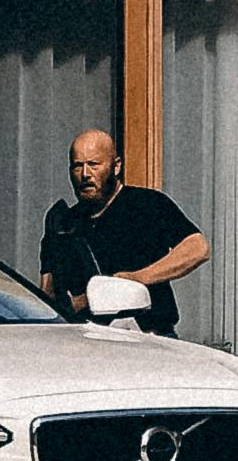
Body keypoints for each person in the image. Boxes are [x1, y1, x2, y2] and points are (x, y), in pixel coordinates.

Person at [40, 129, 211, 335]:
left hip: (149, 338)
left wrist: (137, 279)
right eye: (78, 166)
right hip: (84, 343)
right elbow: (47, 295)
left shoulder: (147, 204)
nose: (85, 174)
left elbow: (197, 248)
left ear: (116, 166)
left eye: (94, 164)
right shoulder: (63, 224)